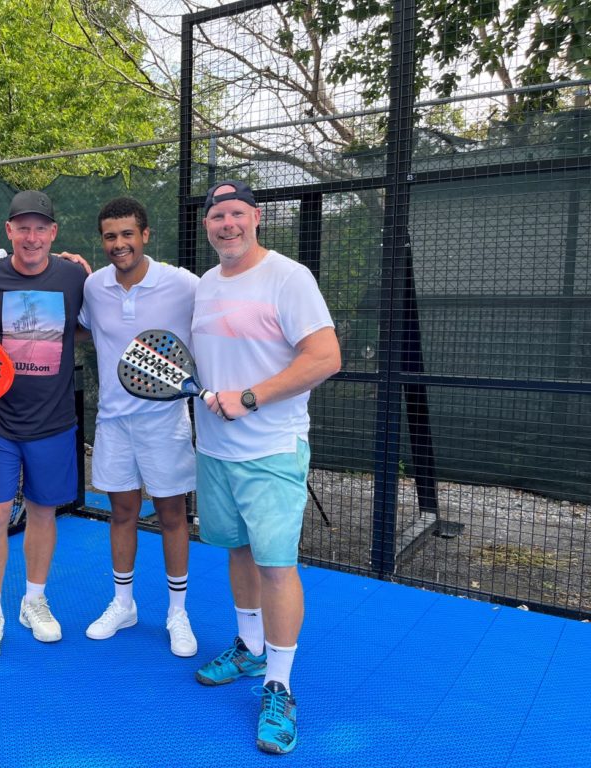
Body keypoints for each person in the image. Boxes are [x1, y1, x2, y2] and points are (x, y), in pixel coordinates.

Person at [190, 179, 341, 754]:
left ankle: (279, 685)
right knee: (237, 550)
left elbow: (325, 357)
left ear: (256, 218)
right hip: (215, 451)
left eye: (236, 213)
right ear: (207, 225)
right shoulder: (205, 284)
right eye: (217, 216)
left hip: (272, 450)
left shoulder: (289, 277)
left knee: (277, 566)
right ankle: (250, 648)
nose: (226, 224)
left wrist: (250, 398)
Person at [77, 196, 200, 657]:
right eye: (110, 236)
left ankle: (177, 613)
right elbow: (86, 329)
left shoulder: (182, 284)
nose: (119, 243)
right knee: (122, 513)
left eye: (127, 234)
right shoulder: (94, 286)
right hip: (113, 423)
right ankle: (123, 605)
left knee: (172, 517)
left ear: (145, 235)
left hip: (165, 423)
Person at [0, 190, 87, 662]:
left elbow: (89, 323)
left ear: (53, 233)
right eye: (23, 227)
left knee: (42, 512)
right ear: (9, 231)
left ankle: (33, 601)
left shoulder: (75, 276)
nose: (32, 237)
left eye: (41, 228)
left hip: (54, 423)